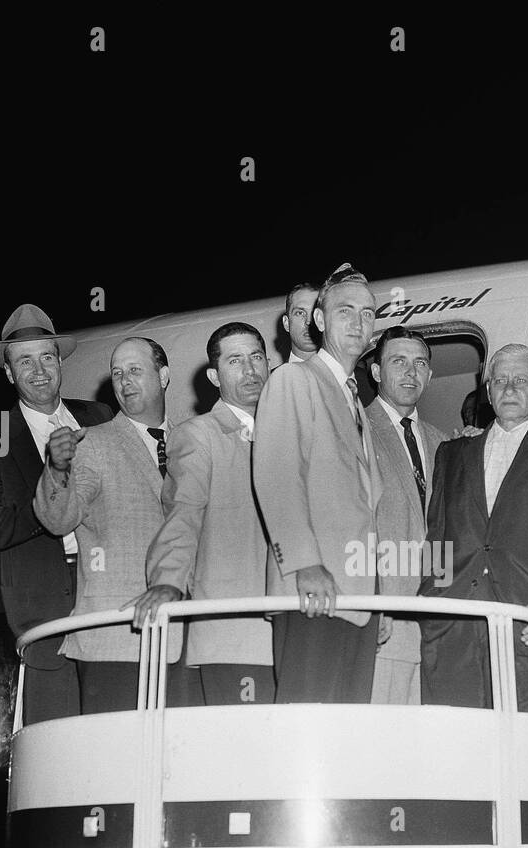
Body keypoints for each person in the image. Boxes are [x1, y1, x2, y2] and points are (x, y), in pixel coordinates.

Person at [418, 343, 528, 716]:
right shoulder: (452, 454)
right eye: (500, 380)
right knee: (455, 743)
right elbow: (437, 537)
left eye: (521, 380)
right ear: (488, 392)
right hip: (453, 630)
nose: (510, 389)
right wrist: (430, 605)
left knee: (526, 746)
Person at [0, 304, 112, 724]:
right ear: (9, 373)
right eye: (24, 360)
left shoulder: (100, 419)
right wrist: (50, 501)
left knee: (115, 726)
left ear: (60, 362)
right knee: (56, 739)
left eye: (47, 357)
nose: (39, 369)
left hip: (109, 589)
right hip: (46, 607)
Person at [252, 263, 384, 703]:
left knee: (347, 727)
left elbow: (364, 507)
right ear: (320, 320)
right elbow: (276, 477)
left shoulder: (353, 399)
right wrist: (305, 565)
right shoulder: (294, 379)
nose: (359, 322)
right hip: (312, 587)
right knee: (305, 720)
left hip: (356, 598)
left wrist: (376, 596)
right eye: (346, 311)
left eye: (368, 314)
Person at [32, 337, 183, 713]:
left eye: (135, 370)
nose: (124, 381)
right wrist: (57, 467)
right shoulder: (92, 444)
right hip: (116, 636)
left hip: (188, 636)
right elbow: (58, 519)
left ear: (163, 375)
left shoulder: (193, 441)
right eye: (117, 373)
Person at [130, 323, 274, 705]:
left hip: (292, 631)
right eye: (235, 360)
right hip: (234, 636)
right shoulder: (199, 434)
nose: (250, 370)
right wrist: (167, 581)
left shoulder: (289, 431)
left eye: (257, 357)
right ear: (214, 376)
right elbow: (183, 513)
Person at [366, 325, 448, 704]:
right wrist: (373, 604)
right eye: (398, 361)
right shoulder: (353, 430)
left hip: (436, 624)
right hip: (385, 619)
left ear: (430, 375)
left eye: (419, 363)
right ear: (376, 371)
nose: (410, 372)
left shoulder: (442, 441)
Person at [280, 282, 318, 365]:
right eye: (300, 313)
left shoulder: (349, 375)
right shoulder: (273, 377)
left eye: (315, 313)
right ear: (286, 323)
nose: (309, 321)